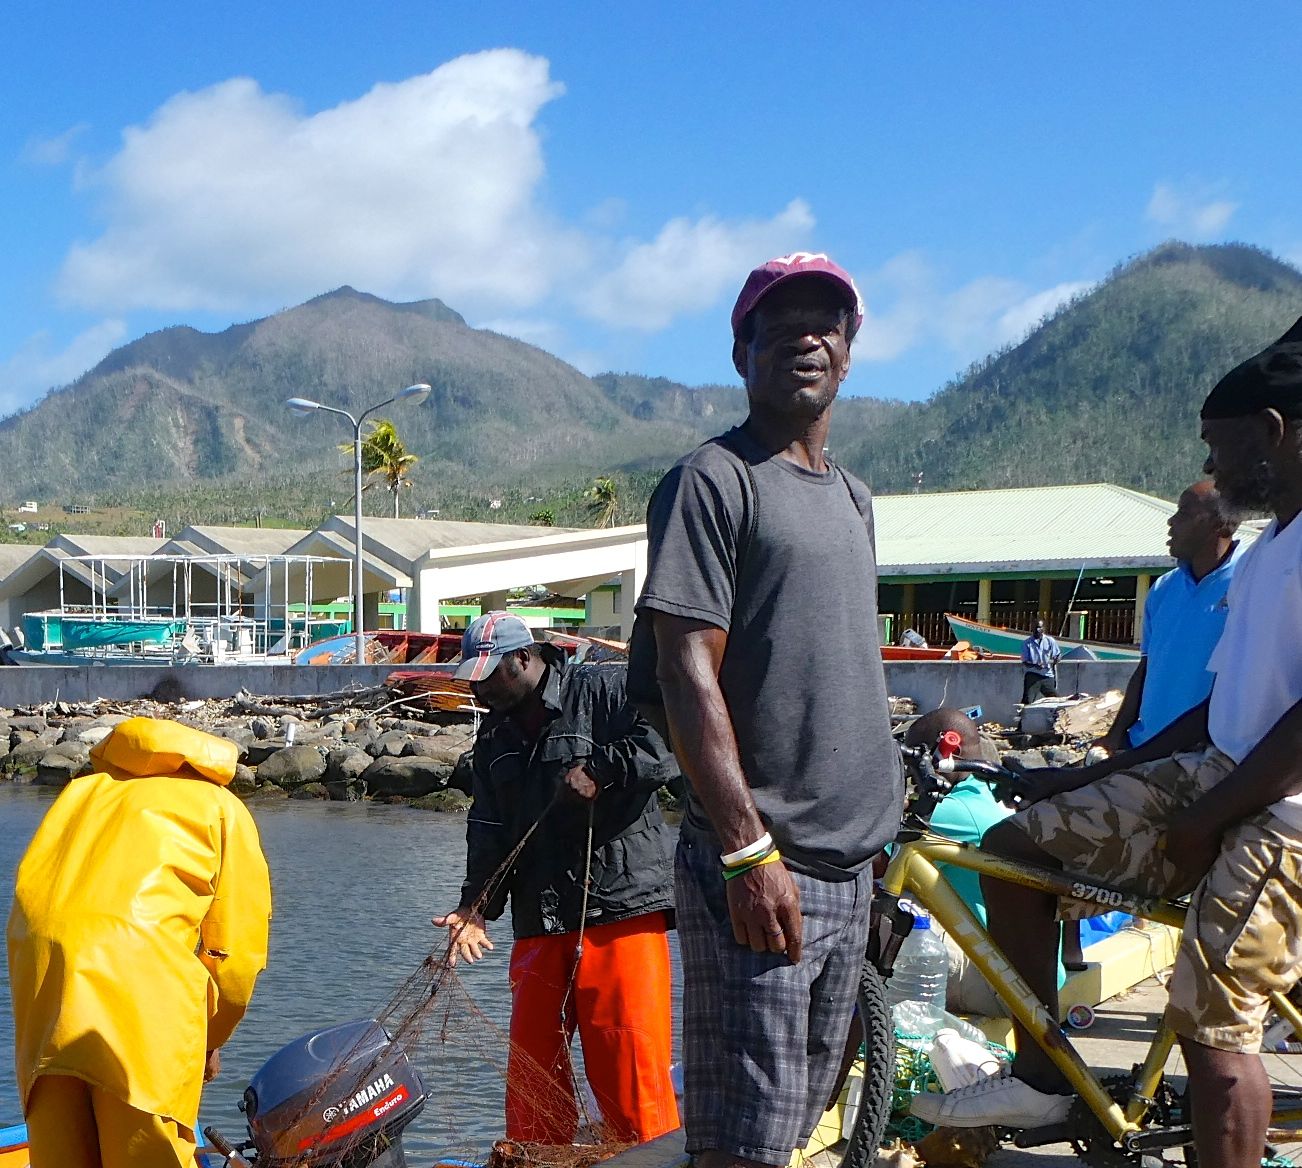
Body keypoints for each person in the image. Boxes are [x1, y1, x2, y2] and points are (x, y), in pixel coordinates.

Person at [910, 316, 1302, 1168]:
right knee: (1013, 848)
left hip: (1284, 813)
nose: (1208, 470)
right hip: (1216, 772)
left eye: (1216, 449)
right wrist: (1098, 775)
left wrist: (1205, 821)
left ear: (1272, 435)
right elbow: (1218, 708)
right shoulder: (1274, 550)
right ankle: (1047, 1079)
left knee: (1214, 1022)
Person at [636, 253, 902, 1168]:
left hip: (853, 870)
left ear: (850, 352)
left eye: (826, 321)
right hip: (762, 866)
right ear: (742, 351)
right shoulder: (713, 481)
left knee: (803, 1126)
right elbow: (683, 673)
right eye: (780, 322)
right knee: (745, 1145)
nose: (806, 336)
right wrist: (748, 851)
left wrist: (876, 849)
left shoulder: (855, 499)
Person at [432, 611, 680, 1146]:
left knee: (628, 1066)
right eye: (472, 675)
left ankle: (648, 1157)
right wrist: (474, 906)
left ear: (524, 659)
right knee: (531, 1072)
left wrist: (602, 770)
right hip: (540, 916)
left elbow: (668, 747)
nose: (479, 685)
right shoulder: (494, 736)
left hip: (621, 909)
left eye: (488, 672)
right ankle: (539, 1157)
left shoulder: (603, 689)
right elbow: (488, 827)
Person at [6, 717, 271, 1168]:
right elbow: (235, 953)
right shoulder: (219, 807)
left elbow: (41, 907)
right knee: (149, 1146)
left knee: (59, 1150)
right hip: (141, 1005)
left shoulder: (80, 793)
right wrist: (209, 1040)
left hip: (44, 999)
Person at [1098, 480, 1243, 753]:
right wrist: (1115, 735)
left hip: (1208, 756)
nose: (1171, 521)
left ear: (1221, 525)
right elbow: (1146, 668)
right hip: (1145, 748)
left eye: (1185, 513)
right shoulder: (1163, 588)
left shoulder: (1250, 581)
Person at [1020, 620, 1061, 703]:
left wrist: (1057, 659)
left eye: (1039, 627)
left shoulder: (1050, 641)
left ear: (1043, 629)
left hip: (1047, 675)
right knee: (1027, 700)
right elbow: (1025, 662)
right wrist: (1035, 665)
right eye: (1035, 628)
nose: (1037, 630)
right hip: (1033, 675)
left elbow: (1058, 655)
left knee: (1055, 699)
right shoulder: (1027, 643)